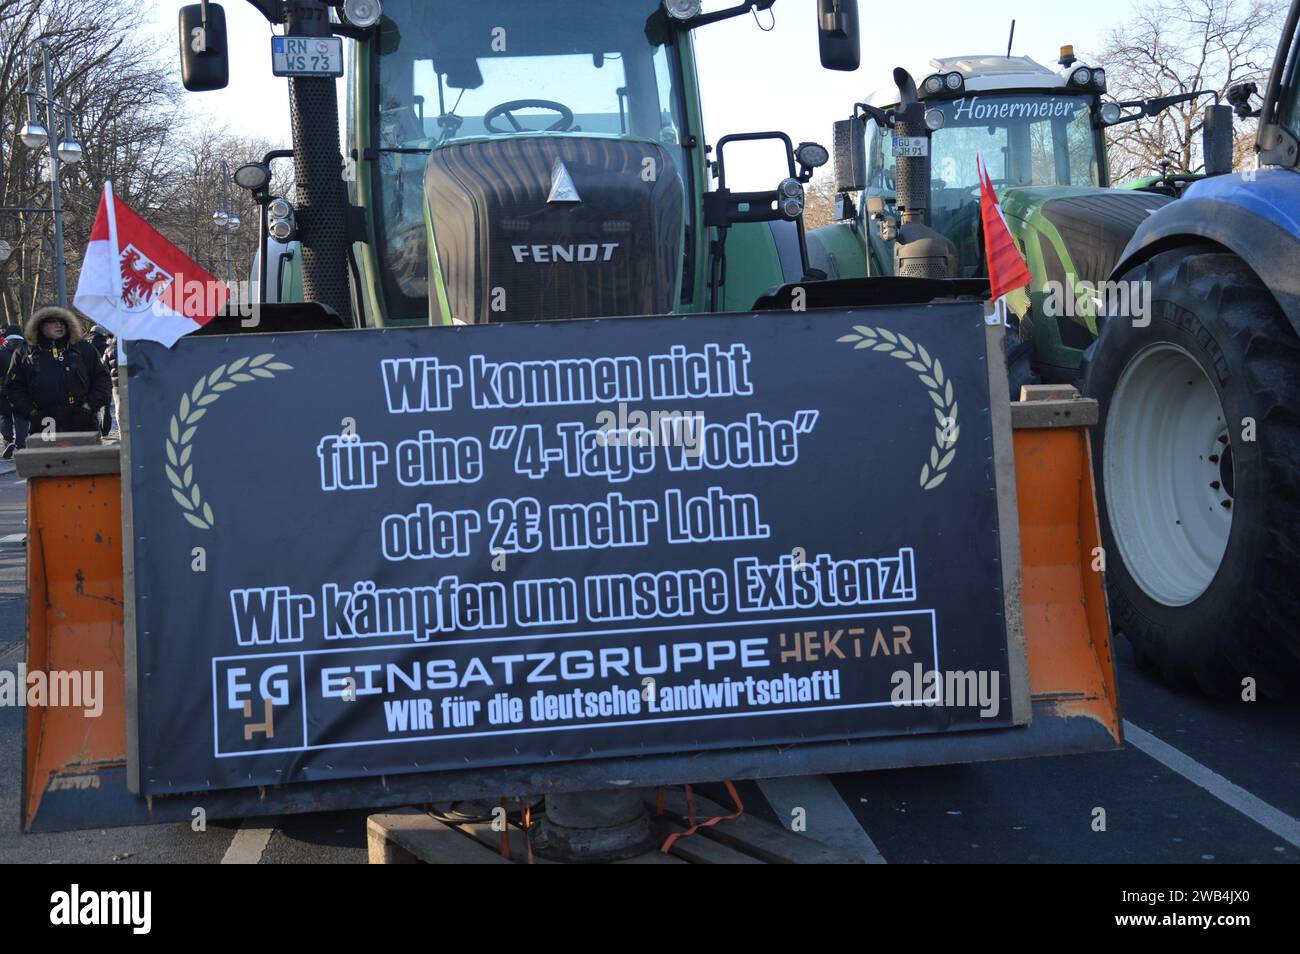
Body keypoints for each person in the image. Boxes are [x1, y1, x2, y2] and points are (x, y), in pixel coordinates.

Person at [5, 306, 111, 441]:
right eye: (52, 321)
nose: (59, 325)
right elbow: (14, 387)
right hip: (44, 427)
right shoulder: (24, 353)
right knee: (48, 461)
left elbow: (103, 379)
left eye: (62, 321)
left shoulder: (83, 349)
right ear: (40, 325)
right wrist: (31, 412)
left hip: (83, 424)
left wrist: (89, 407)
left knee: (84, 461)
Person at [0, 323, 28, 459]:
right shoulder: (26, 349)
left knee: (4, 416)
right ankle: (21, 444)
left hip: (3, 389)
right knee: (21, 417)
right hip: (21, 390)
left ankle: (8, 441)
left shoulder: (1, 350)